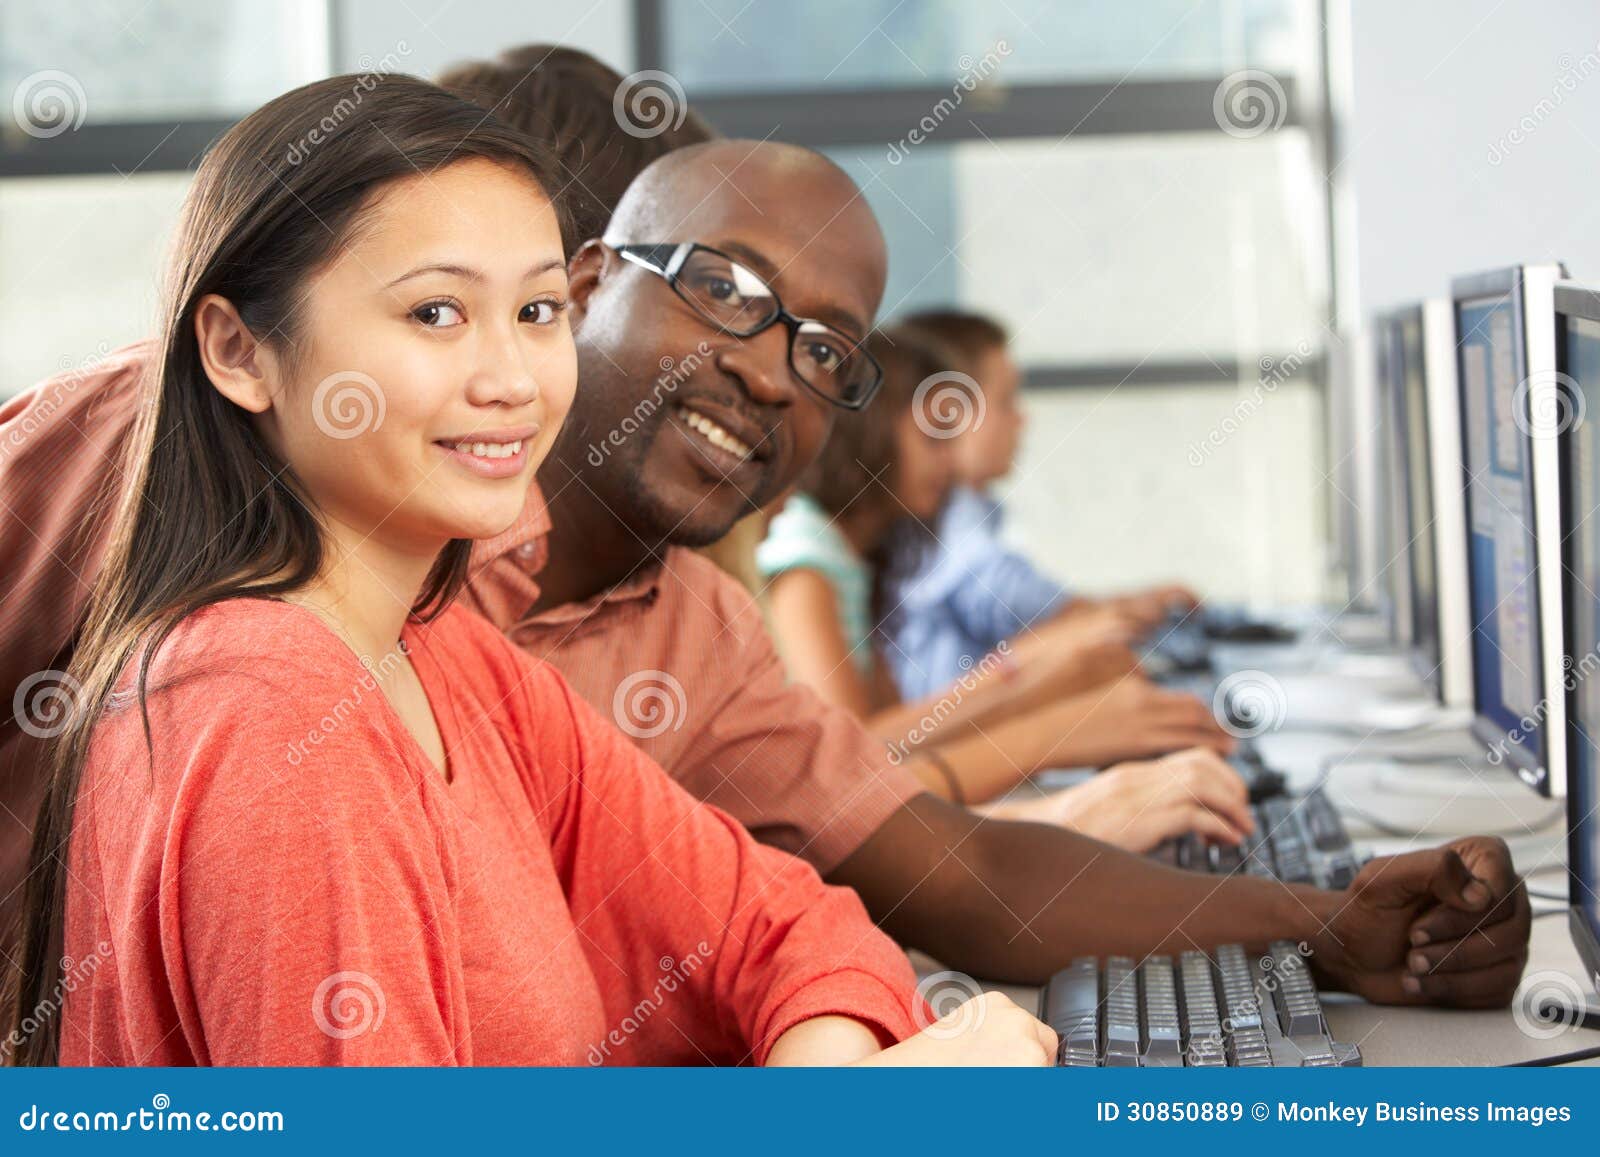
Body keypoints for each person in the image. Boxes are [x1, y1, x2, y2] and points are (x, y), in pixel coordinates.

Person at [0, 60, 1530, 1005]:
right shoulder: (183, 434)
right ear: (588, 282)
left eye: (824, 350)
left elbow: (942, 877)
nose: (766, 362)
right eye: (722, 288)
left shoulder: (667, 650)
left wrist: (1328, 926)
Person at [7, 75, 1064, 1069]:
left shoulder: (445, 655)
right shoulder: (271, 704)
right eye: (435, 313)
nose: (511, 380)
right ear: (239, 352)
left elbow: (788, 924)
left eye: (537, 312)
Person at [756, 323, 1251, 839]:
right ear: (870, 436)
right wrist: (1035, 684)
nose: (950, 463)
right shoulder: (806, 557)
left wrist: (1042, 682)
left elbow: (898, 728)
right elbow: (855, 756)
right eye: (932, 439)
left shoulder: (860, 557)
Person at [881, 308, 1202, 701]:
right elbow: (998, 588)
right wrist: (1102, 618)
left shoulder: (959, 514)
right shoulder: (935, 521)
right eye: (1006, 402)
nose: (1022, 419)